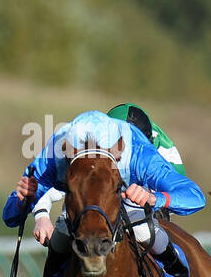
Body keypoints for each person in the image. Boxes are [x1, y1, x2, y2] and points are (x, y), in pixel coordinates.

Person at [2, 110, 204, 277]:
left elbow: (195, 196)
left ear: (119, 151)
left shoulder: (138, 154)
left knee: (144, 231)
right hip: (84, 201)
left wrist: (154, 197)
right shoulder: (55, 154)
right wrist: (23, 201)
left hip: (124, 194)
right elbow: (10, 216)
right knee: (61, 236)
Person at [28, 103, 185, 247]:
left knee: (147, 235)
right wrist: (41, 217)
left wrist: (156, 200)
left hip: (142, 200)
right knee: (61, 235)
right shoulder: (93, 144)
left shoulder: (165, 154)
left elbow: (179, 196)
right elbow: (47, 183)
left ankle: (178, 267)